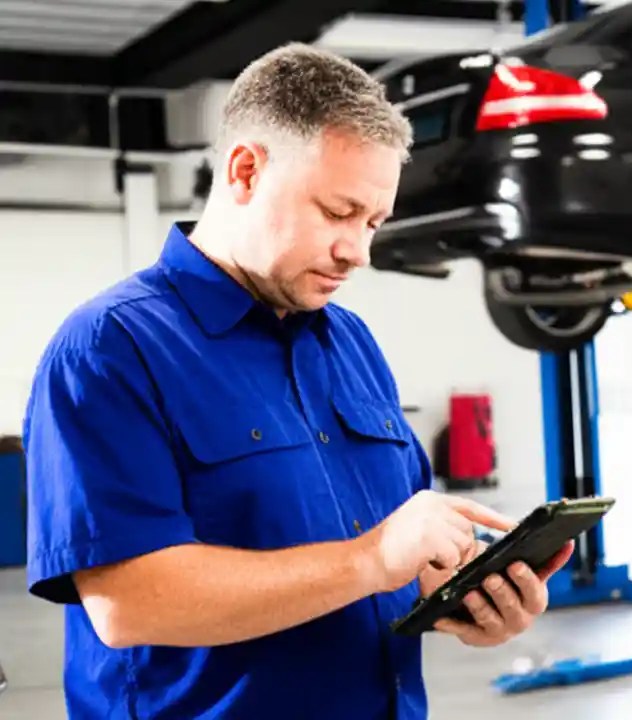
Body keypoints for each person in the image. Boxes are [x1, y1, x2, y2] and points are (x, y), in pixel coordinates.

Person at [22, 43, 571, 719]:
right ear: (245, 171)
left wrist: (462, 597)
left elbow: (394, 559)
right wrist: (371, 559)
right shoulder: (110, 349)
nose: (358, 251)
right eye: (338, 213)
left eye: (374, 223)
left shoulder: (351, 343)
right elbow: (129, 602)